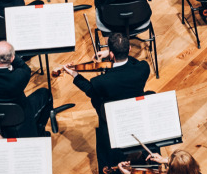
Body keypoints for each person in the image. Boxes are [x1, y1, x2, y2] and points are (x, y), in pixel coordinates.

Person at [53, 31, 151, 165]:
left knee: (97, 100)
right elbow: (133, 63)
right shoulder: (143, 68)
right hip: (135, 109)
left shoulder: (101, 82)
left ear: (111, 54)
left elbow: (90, 90)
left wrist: (75, 74)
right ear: (129, 49)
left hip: (114, 116)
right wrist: (112, 54)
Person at [0, 41, 54, 135]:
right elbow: (23, 67)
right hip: (19, 116)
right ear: (12, 58)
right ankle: (39, 131)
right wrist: (10, 54)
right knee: (45, 93)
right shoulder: (20, 76)